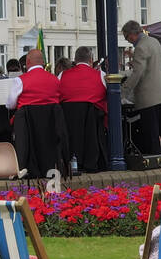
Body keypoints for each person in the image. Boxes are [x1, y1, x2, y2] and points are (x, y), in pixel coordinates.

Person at [7, 49, 68, 179]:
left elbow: (10, 104)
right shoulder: (55, 79)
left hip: (27, 124)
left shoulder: (20, 80)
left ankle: (24, 166)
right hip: (50, 124)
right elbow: (60, 99)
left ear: (27, 62)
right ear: (43, 62)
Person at [118, 21, 161, 157]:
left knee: (151, 131)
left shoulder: (140, 47)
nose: (128, 41)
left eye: (126, 37)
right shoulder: (154, 41)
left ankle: (155, 157)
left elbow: (137, 74)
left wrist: (123, 92)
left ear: (132, 34)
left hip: (149, 96)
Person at [60, 46, 108, 173]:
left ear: (75, 60)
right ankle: (92, 162)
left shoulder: (62, 75)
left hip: (69, 119)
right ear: (91, 60)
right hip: (93, 120)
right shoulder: (101, 75)